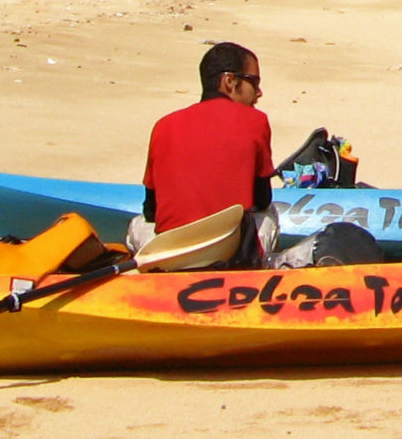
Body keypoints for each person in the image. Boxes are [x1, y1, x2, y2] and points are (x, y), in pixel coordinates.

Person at [127, 41, 313, 269]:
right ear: (229, 82)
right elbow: (262, 199)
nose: (259, 93)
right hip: (230, 257)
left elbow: (151, 210)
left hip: (171, 257)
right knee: (268, 214)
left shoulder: (163, 126)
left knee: (137, 224)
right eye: (254, 82)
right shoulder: (256, 120)